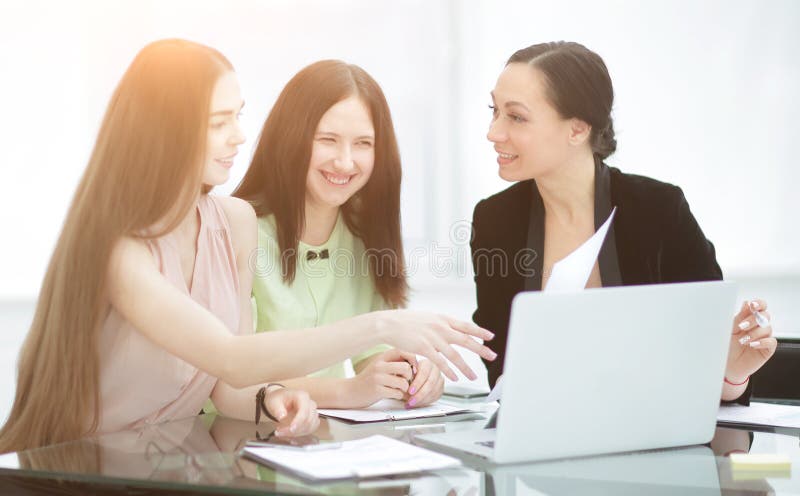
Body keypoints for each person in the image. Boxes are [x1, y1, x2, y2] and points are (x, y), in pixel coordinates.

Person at [0, 40, 496, 454]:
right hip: (75, 470)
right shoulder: (121, 254)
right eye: (219, 122)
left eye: (238, 117)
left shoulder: (230, 223)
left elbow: (232, 388)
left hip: (181, 466)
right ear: (164, 130)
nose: (239, 137)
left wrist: (275, 400)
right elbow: (229, 357)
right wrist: (383, 326)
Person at [471, 41, 775, 402]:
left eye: (516, 117)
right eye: (495, 111)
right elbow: (501, 370)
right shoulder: (495, 221)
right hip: (544, 439)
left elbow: (713, 363)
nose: (494, 132)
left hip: (654, 439)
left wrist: (733, 373)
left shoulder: (659, 210)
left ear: (578, 129)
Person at [233, 60, 445, 409]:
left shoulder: (363, 235)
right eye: (328, 140)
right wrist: (350, 391)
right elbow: (231, 378)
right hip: (238, 438)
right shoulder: (240, 229)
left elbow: (371, 357)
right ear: (291, 137)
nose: (345, 162)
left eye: (363, 143)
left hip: (328, 445)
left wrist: (413, 377)